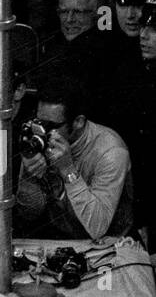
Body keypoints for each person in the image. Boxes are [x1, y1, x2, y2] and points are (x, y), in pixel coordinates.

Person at [14, 74, 134, 240]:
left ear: (78, 122)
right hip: (60, 237)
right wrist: (29, 177)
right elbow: (28, 214)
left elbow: (97, 227)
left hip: (108, 243)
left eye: (52, 126)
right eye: (39, 123)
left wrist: (68, 170)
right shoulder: (39, 139)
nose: (41, 132)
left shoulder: (111, 151)